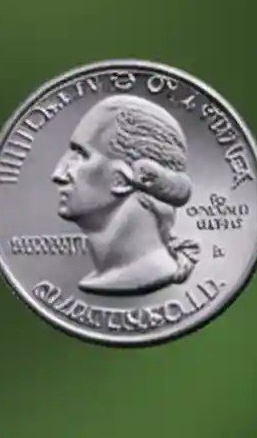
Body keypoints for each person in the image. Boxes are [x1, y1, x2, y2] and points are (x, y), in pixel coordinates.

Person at [50, 94, 200, 295]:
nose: (58, 174)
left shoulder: (152, 272)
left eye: (81, 155)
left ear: (120, 181)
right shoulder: (99, 277)